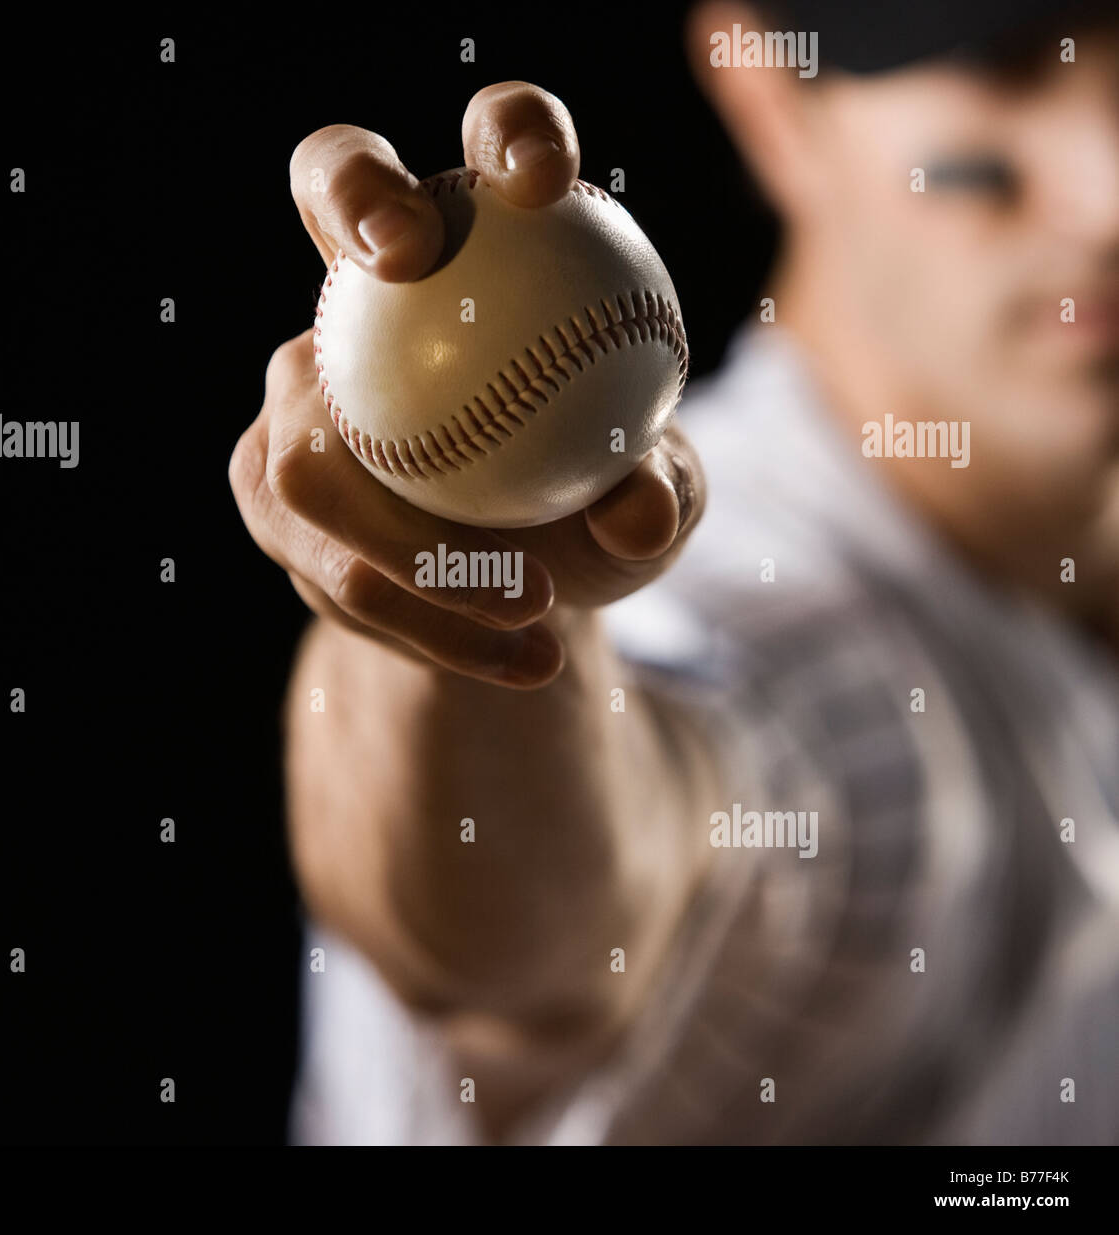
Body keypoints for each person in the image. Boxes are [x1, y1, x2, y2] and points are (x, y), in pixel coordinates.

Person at [228, 0, 1119, 1144]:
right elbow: (541, 943)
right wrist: (477, 636)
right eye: (998, 68)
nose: (1107, 186)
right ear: (770, 100)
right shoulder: (788, 620)